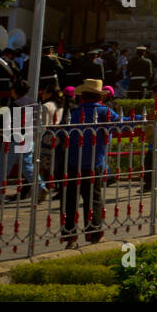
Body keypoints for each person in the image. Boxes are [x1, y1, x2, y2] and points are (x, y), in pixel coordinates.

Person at [60, 79, 125, 247]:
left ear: (83, 97)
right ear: (99, 97)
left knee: (70, 201)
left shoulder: (73, 113)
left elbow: (61, 134)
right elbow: (123, 125)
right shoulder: (104, 112)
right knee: (93, 200)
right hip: (93, 163)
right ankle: (94, 234)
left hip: (72, 163)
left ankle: (70, 237)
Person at [0, 79, 47, 205]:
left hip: (15, 139)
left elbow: (10, 124)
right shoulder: (34, 103)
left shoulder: (15, 105)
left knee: (1, 170)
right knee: (28, 167)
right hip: (28, 138)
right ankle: (41, 187)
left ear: (14, 91)